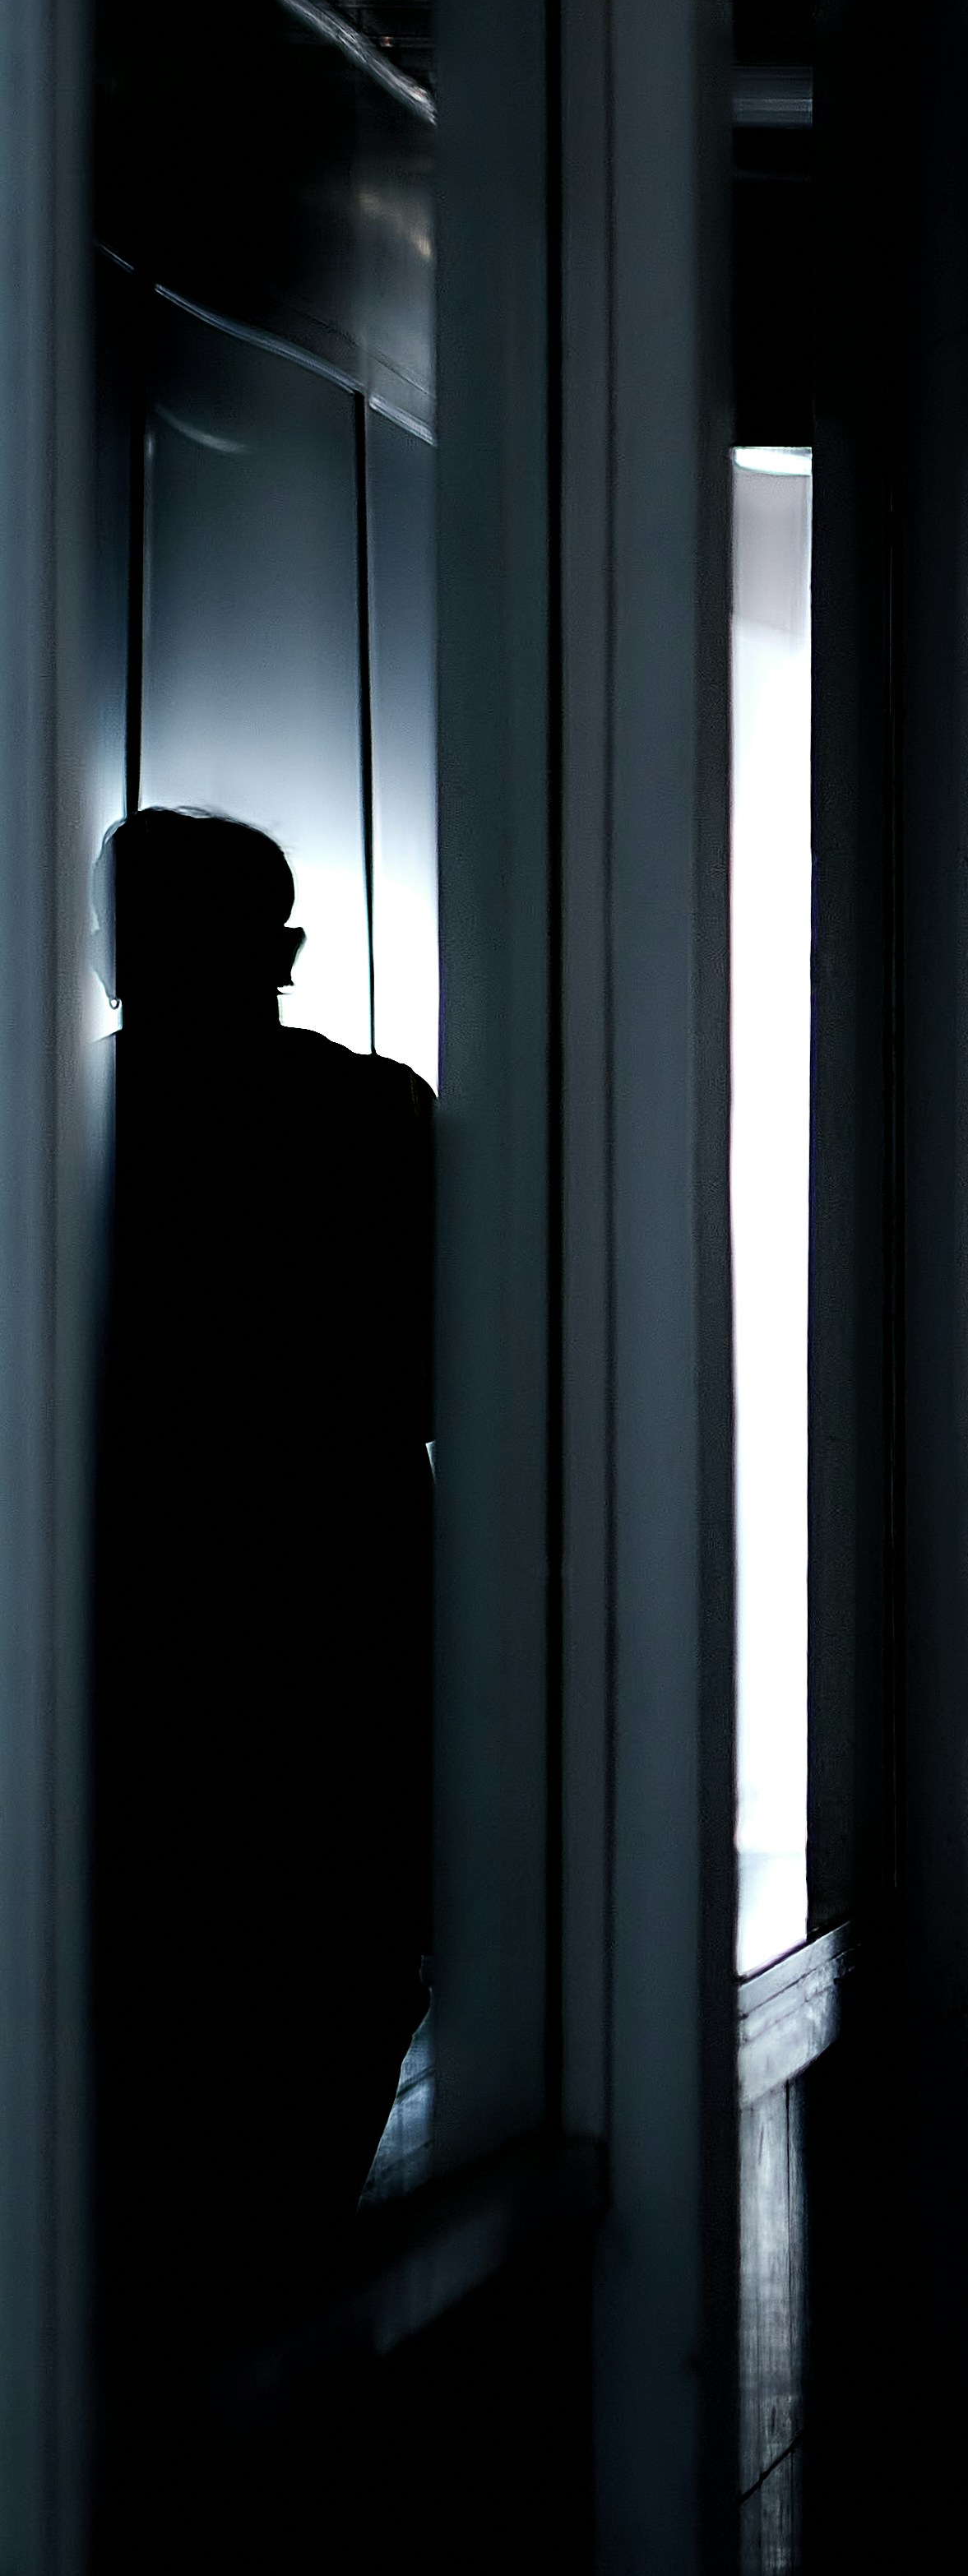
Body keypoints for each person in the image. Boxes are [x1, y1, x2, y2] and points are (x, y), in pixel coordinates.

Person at [93, 808, 436, 2349]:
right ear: (285, 953)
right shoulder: (372, 1123)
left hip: (132, 1651)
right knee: (334, 1983)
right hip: (341, 1639)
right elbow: (451, 1380)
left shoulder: (67, 1137)